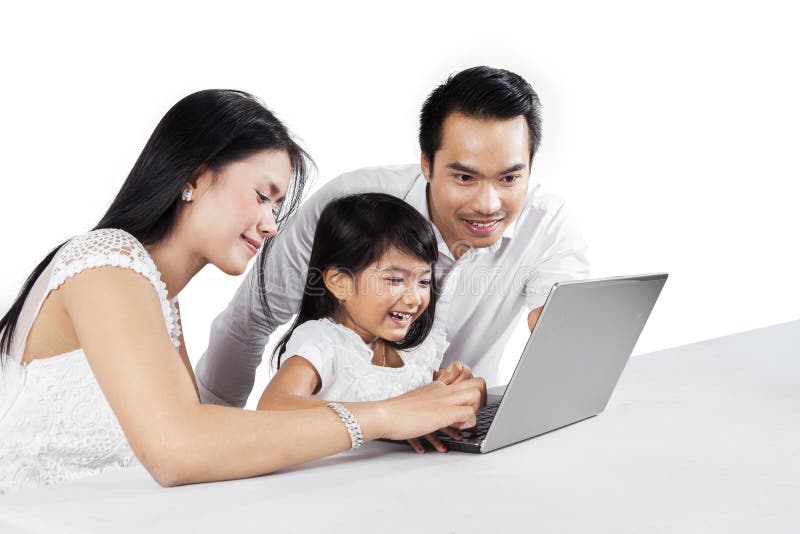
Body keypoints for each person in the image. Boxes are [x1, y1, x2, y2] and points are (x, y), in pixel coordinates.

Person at [0, 90, 485, 494]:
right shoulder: (105, 262)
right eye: (262, 196)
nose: (272, 225)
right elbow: (178, 450)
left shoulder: (156, 296)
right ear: (193, 176)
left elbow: (208, 437)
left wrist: (414, 406)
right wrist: (384, 417)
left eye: (277, 206)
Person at [197, 66, 591, 409]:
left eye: (509, 177)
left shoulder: (549, 223)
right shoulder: (350, 206)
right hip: (338, 440)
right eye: (464, 177)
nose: (488, 204)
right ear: (426, 162)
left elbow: (566, 345)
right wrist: (213, 432)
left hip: (452, 434)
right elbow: (251, 321)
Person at [258, 193, 477, 453]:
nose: (414, 298)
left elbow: (417, 406)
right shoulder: (323, 343)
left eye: (423, 281)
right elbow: (272, 408)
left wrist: (457, 393)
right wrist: (389, 418)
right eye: (395, 280)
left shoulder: (415, 350)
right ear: (340, 283)